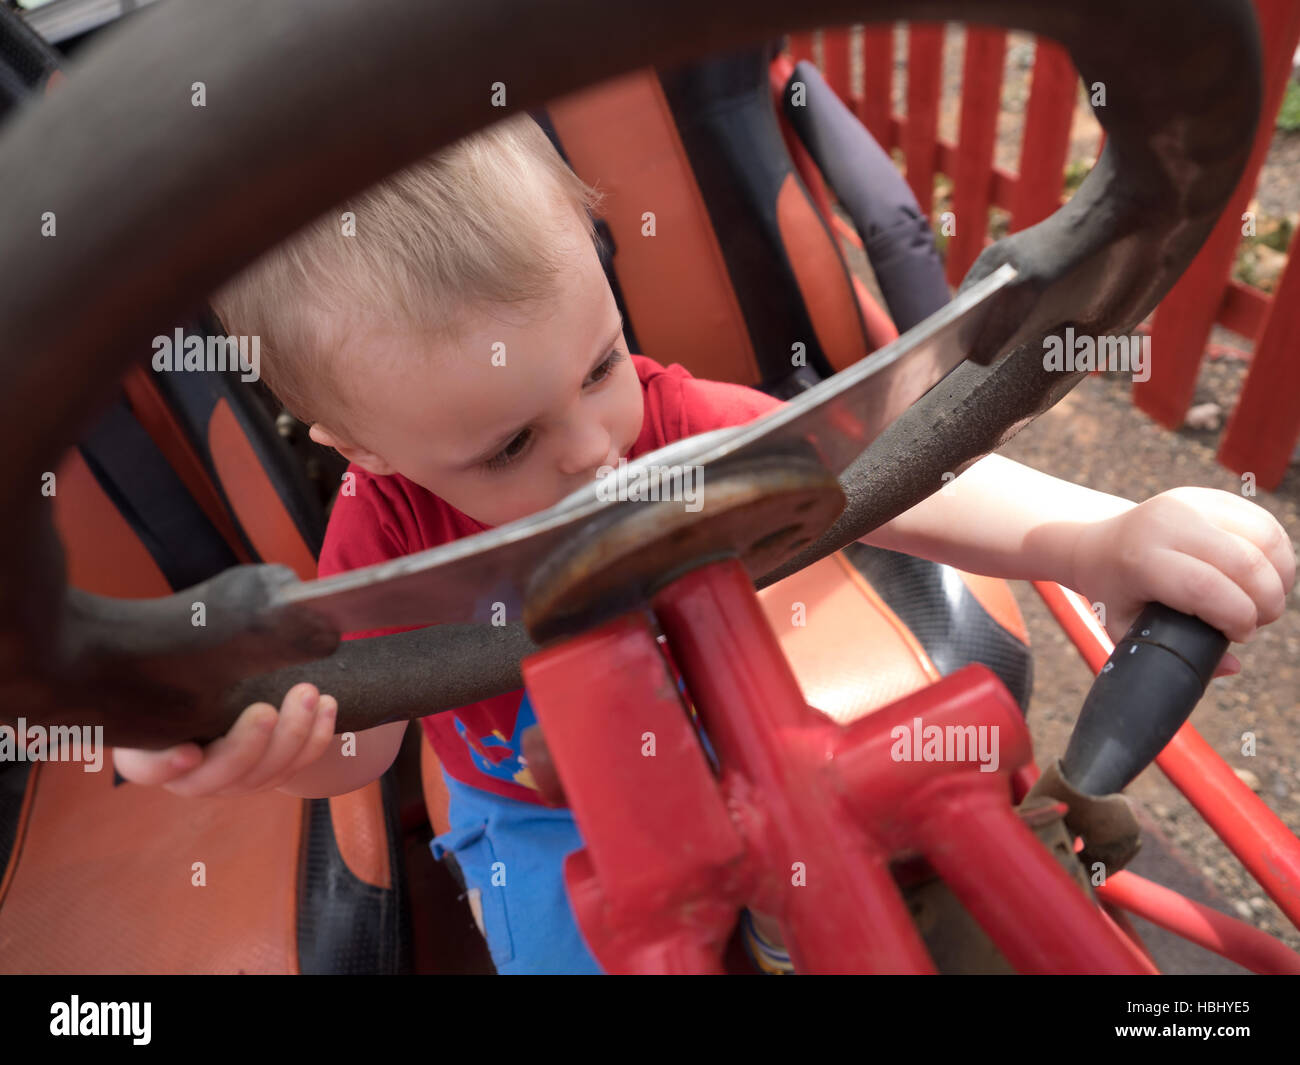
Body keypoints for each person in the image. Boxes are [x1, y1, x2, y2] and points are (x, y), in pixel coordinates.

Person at [112, 113, 1296, 974]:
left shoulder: (669, 415)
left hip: (747, 717)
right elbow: (361, 750)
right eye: (511, 442)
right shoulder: (383, 540)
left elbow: (891, 478)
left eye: (595, 363)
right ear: (360, 447)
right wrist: (278, 744)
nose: (593, 449)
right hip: (537, 812)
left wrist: (1101, 535)